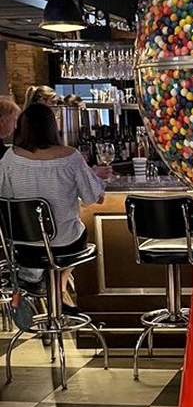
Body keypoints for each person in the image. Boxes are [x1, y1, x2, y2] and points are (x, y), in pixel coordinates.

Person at [0, 103, 111, 311]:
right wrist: (95, 177)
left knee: (54, 243)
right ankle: (59, 290)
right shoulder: (70, 157)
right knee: (78, 232)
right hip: (64, 244)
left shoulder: (9, 159)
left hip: (22, 245)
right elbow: (95, 198)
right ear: (53, 127)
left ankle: (48, 290)